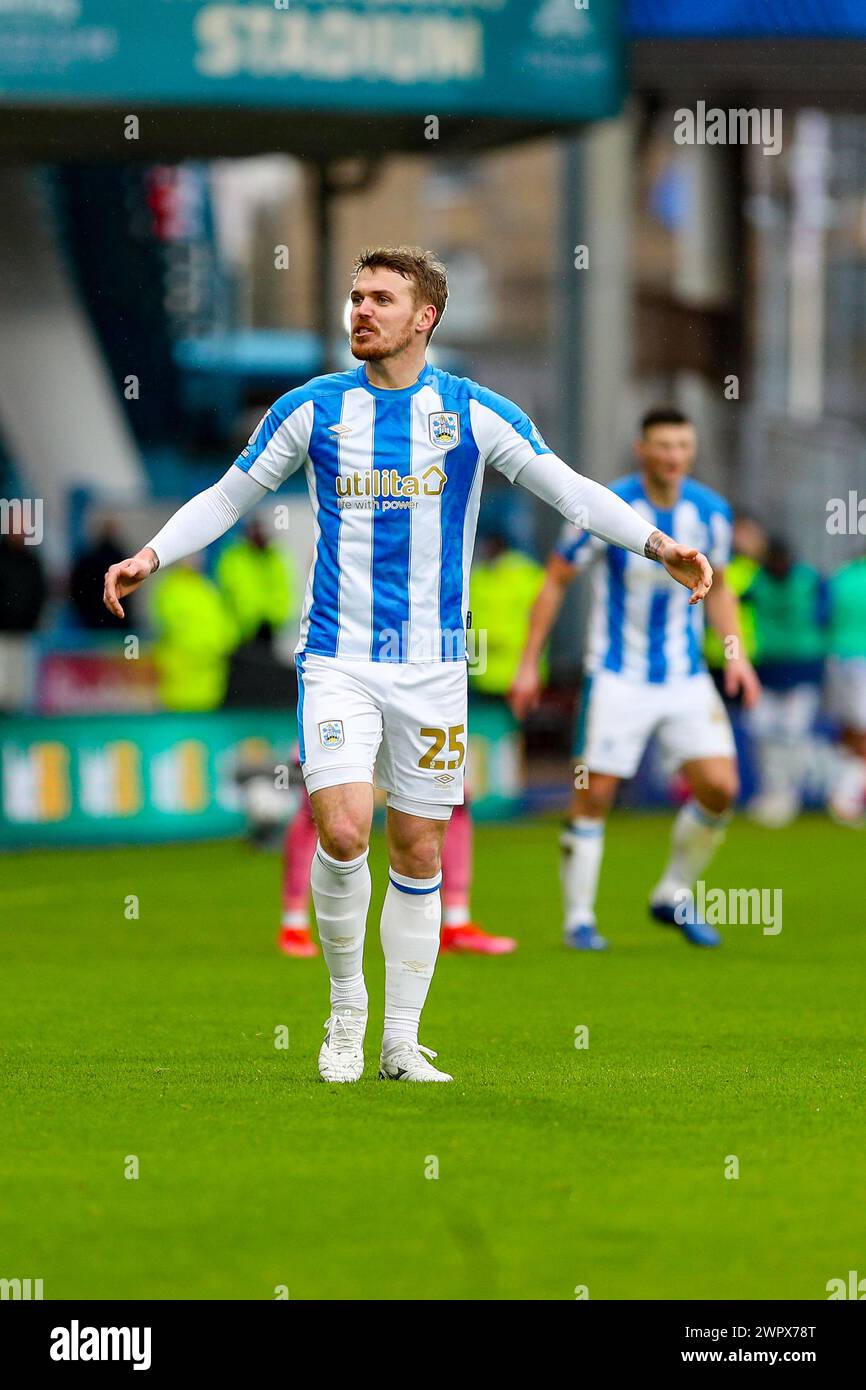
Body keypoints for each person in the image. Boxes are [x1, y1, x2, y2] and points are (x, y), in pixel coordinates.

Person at [104, 247, 713, 1084]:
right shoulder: (312, 409)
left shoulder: (473, 412)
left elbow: (568, 490)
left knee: (420, 850)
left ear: (424, 317)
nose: (361, 310)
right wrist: (152, 554)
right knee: (346, 825)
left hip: (432, 670)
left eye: (380, 299)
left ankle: (401, 1041)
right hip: (339, 661)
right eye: (355, 296)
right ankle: (347, 1013)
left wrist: (657, 544)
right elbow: (227, 496)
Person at [510, 407, 759, 951]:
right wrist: (531, 660)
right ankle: (579, 920)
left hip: (685, 677)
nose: (673, 456)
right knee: (594, 793)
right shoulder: (609, 507)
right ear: (641, 450)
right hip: (618, 676)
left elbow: (719, 590)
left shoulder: (710, 512)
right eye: (662, 446)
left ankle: (671, 894)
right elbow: (556, 581)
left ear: (691, 453)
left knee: (721, 788)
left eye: (682, 447)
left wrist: (735, 655)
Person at [279, 783, 515, 957]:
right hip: (349, 716)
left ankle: (456, 924)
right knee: (322, 801)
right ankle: (294, 925)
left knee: (453, 792)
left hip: (417, 716)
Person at [744, 537, 827, 827]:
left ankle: (789, 795)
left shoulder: (810, 580)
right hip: (767, 667)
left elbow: (826, 616)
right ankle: (771, 792)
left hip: (803, 666)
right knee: (763, 732)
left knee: (793, 732)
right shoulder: (758, 581)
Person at [824, 551, 866, 825]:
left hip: (837, 658)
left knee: (849, 728)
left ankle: (844, 794)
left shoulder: (839, 578)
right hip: (862, 660)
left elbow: (821, 616)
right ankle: (847, 796)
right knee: (862, 730)